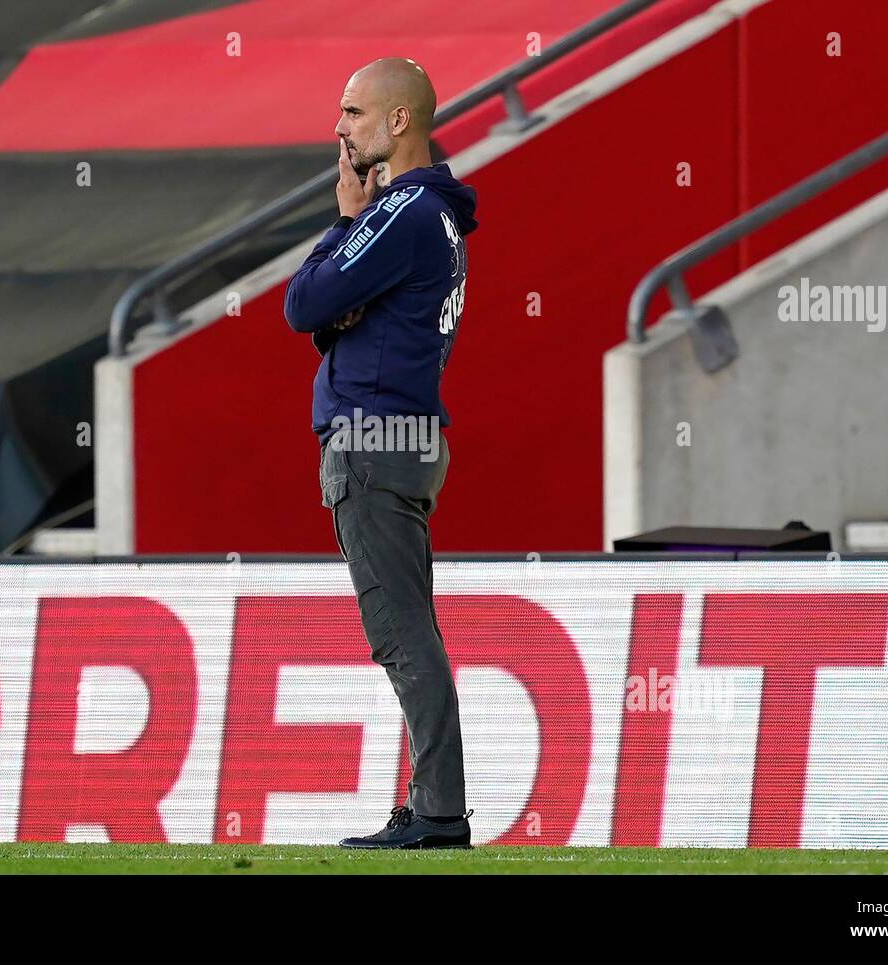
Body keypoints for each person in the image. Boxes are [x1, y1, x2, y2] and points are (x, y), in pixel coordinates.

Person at [284, 57, 479, 849]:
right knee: (412, 630)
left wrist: (340, 219)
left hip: (374, 440)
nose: (340, 129)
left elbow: (304, 306)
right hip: (409, 436)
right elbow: (337, 321)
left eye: (354, 113)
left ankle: (439, 814)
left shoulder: (400, 212)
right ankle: (428, 801)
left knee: (403, 636)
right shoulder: (437, 217)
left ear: (400, 122)